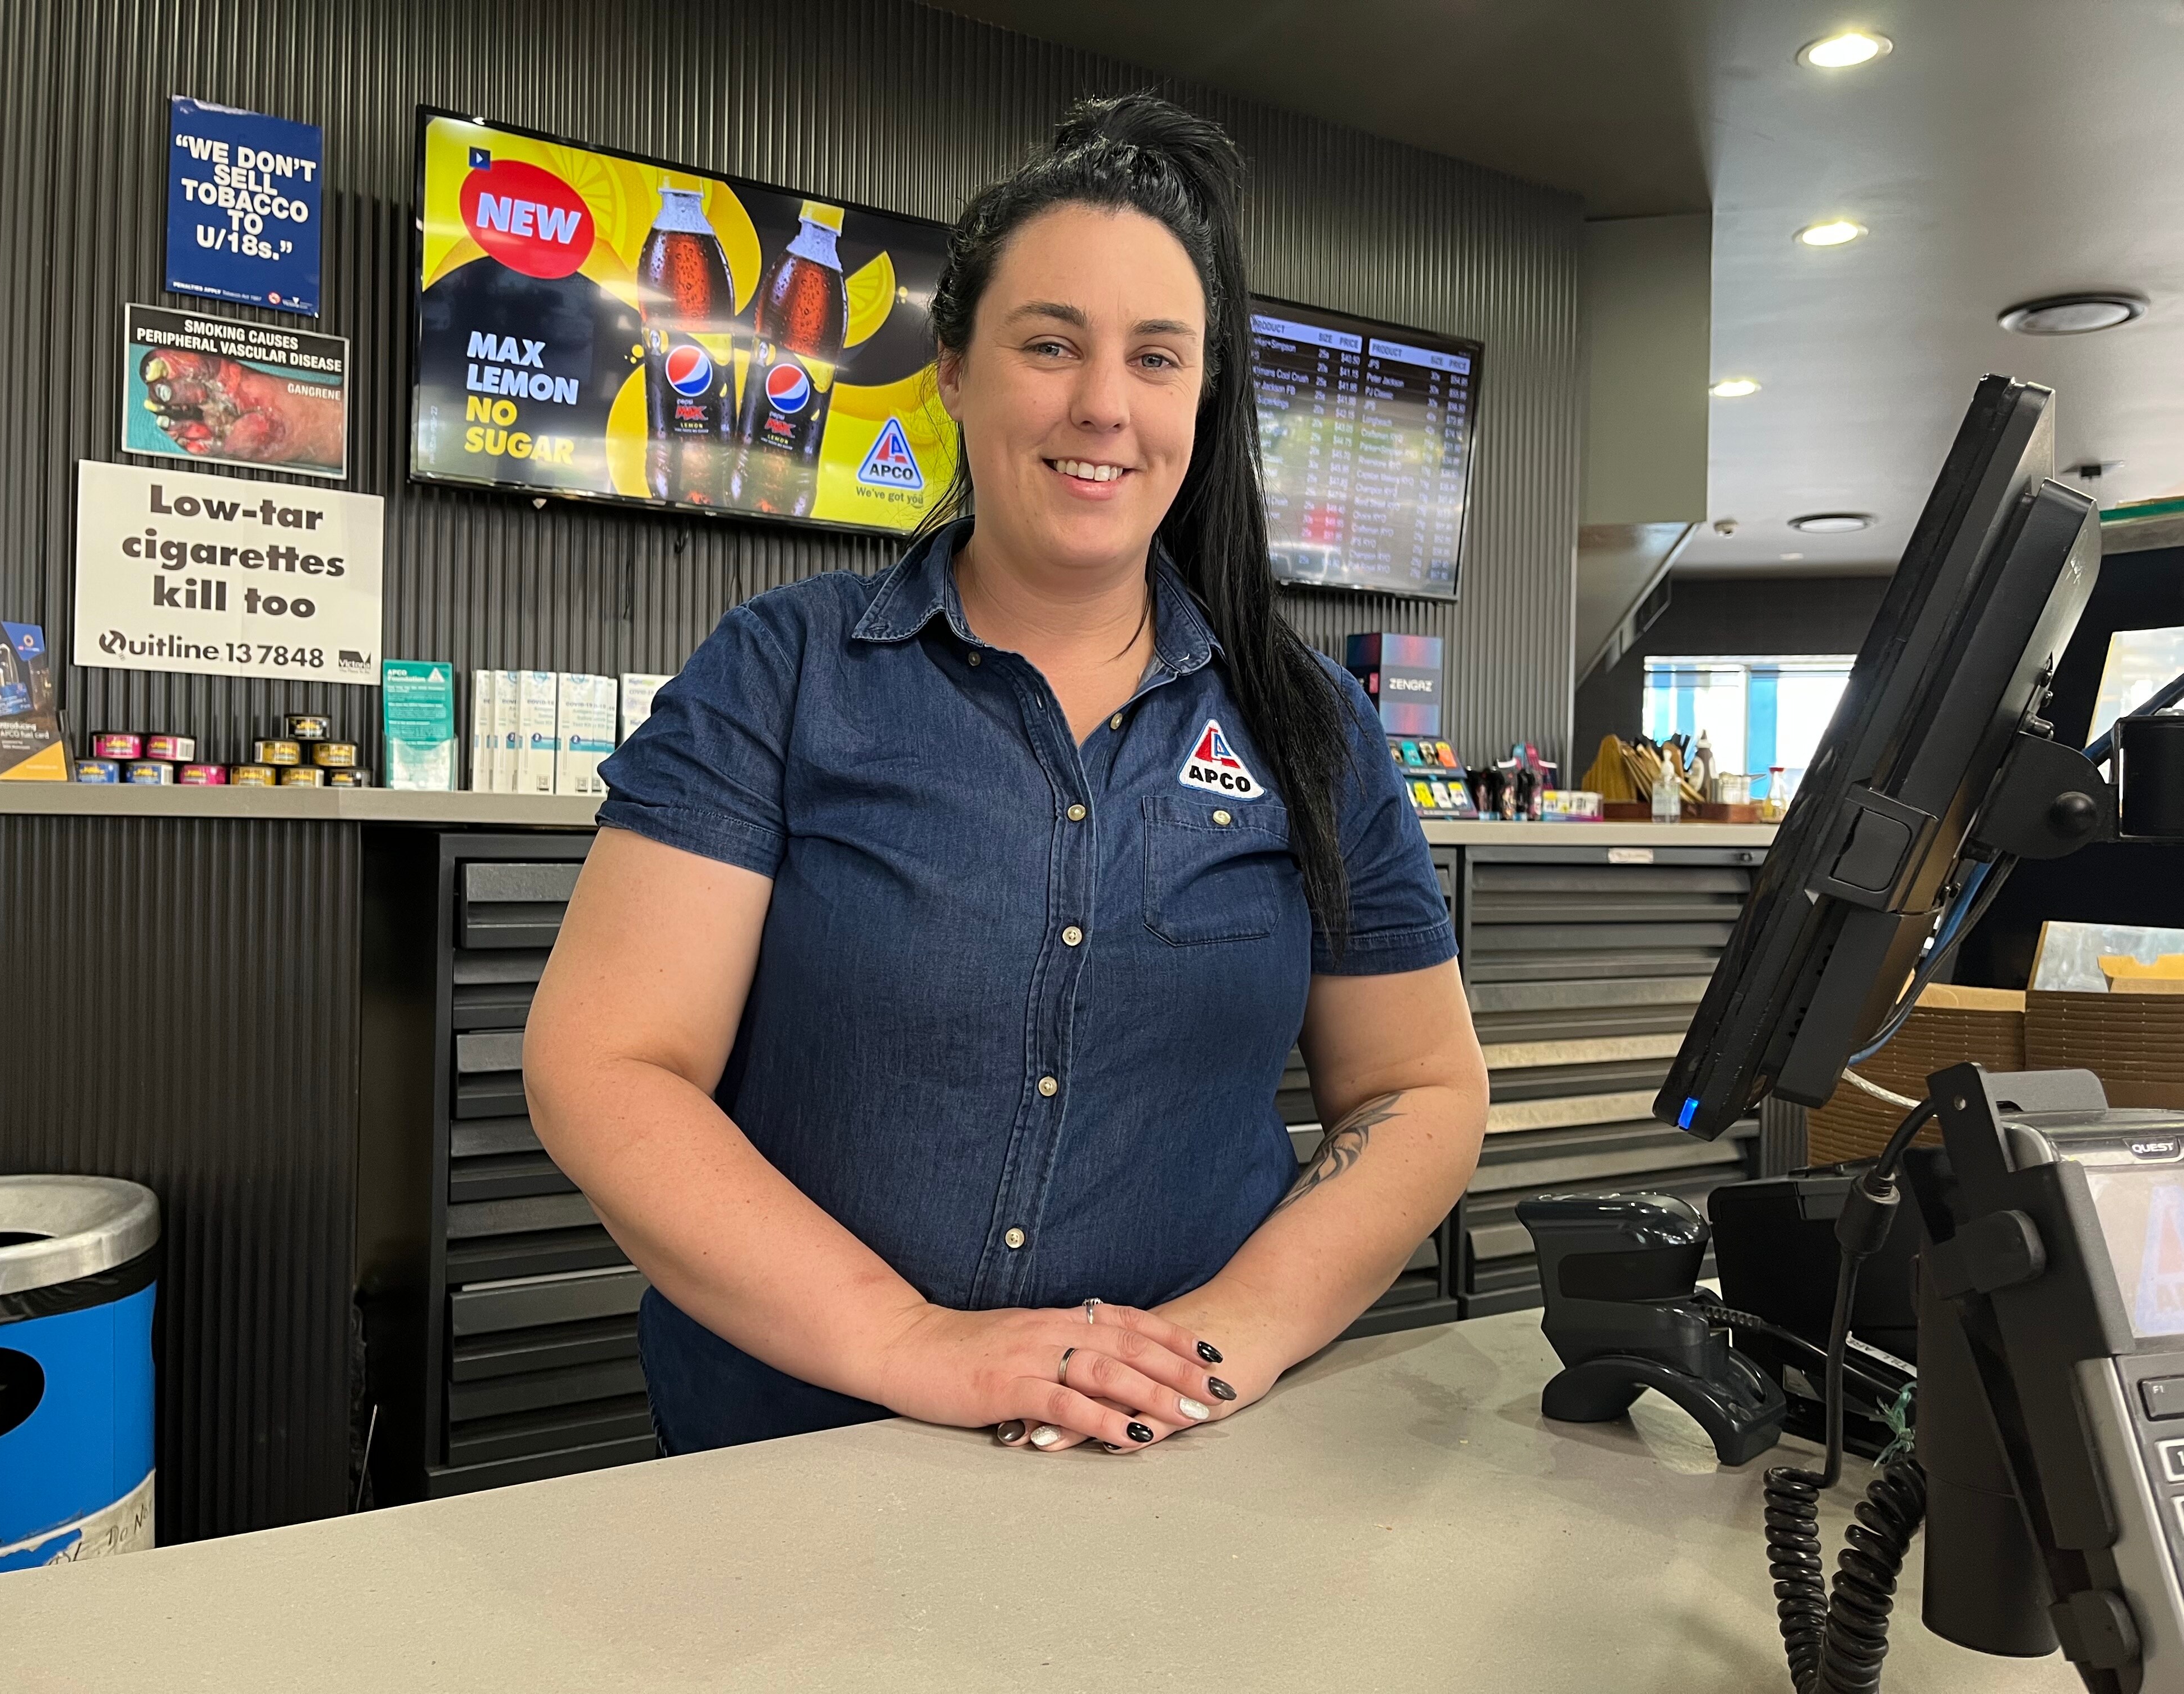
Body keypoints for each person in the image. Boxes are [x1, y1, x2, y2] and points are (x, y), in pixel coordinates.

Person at [524, 92, 1488, 1459]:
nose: (1105, 404)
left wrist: (1222, 1343)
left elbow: (1421, 1089)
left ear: (1202, 401)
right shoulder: (783, 675)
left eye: (1158, 360)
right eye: (1052, 345)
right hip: (797, 1456)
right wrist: (907, 1341)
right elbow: (606, 1065)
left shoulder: (1313, 722)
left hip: (1176, 1460)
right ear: (954, 372)